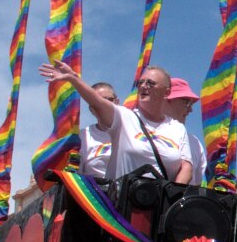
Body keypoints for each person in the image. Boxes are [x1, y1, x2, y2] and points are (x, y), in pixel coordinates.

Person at [39, 60, 193, 184]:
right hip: (120, 210)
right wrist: (74, 79)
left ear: (166, 92)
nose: (144, 86)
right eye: (141, 82)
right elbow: (98, 103)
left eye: (151, 83)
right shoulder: (124, 117)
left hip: (161, 209)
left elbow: (186, 167)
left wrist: (172, 195)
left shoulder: (177, 128)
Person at [165, 77, 206, 184]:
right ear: (168, 99)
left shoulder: (195, 143)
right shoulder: (141, 131)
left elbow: (196, 185)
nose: (191, 109)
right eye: (187, 102)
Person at [79, 80, 120, 182]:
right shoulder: (83, 137)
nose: (104, 105)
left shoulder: (135, 130)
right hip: (97, 195)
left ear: (117, 102)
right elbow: (76, 177)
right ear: (91, 109)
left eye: (109, 100)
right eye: (97, 101)